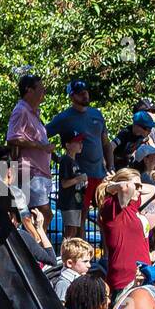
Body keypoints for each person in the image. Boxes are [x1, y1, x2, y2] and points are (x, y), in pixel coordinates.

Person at [46, 80, 113, 215]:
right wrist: (56, 158)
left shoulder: (97, 114)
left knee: (105, 216)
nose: (85, 95)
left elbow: (106, 143)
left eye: (86, 91)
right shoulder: (63, 118)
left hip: (101, 175)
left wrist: (111, 167)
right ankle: (78, 238)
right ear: (72, 96)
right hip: (81, 177)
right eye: (80, 93)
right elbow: (42, 135)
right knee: (80, 218)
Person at [5, 74, 53, 229]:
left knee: (35, 216)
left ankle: (37, 248)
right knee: (43, 214)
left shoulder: (33, 112)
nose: (44, 91)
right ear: (29, 90)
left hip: (40, 172)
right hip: (30, 171)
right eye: (41, 88)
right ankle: (38, 249)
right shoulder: (21, 111)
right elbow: (13, 138)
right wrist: (41, 147)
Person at [96, 170, 150, 300]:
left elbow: (151, 189)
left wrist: (136, 185)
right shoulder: (111, 206)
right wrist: (111, 186)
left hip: (141, 275)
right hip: (124, 281)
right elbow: (127, 187)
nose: (139, 190)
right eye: (136, 186)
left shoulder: (132, 205)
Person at [56, 132, 90, 241]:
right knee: (70, 231)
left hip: (76, 202)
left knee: (74, 230)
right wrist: (79, 179)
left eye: (81, 142)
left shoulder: (75, 162)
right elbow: (64, 184)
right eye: (77, 142)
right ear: (67, 145)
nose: (81, 145)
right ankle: (64, 254)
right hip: (69, 202)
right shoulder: (66, 160)